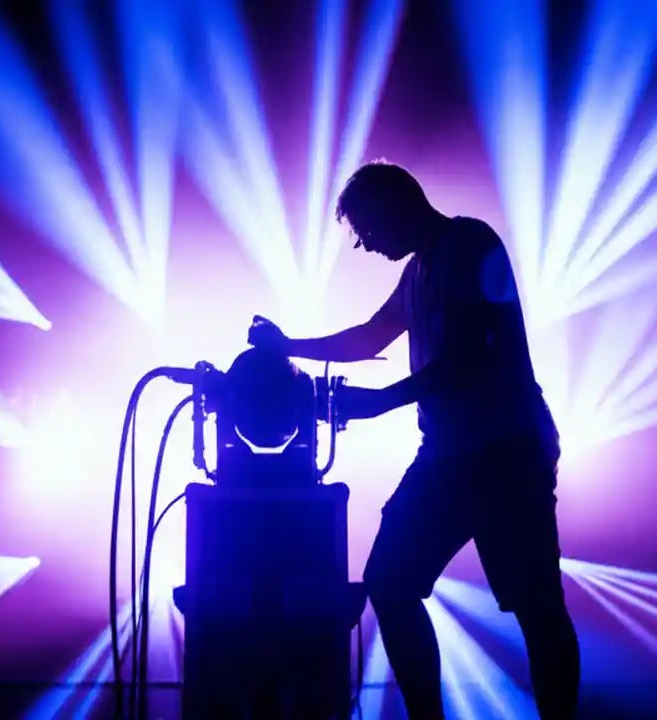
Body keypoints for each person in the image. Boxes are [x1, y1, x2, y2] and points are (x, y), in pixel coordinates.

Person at [247, 160, 580, 719]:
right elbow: (370, 335)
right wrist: (289, 346)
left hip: (504, 455)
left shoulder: (469, 244)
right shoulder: (422, 269)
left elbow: (467, 359)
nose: (367, 245)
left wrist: (377, 402)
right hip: (454, 455)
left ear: (394, 205)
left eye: (367, 230)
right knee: (392, 581)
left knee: (535, 603)